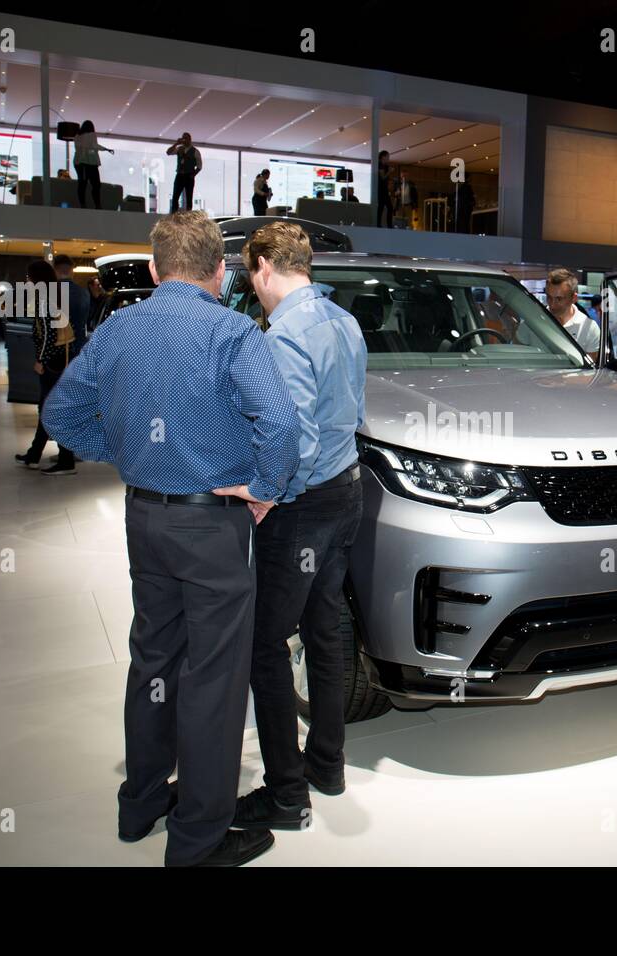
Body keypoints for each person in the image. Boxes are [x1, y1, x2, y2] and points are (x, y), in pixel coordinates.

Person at [43, 211, 300, 867]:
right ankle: (199, 839)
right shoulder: (235, 331)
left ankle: (141, 805)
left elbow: (61, 412)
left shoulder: (118, 327)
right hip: (210, 523)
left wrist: (125, 452)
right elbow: (279, 424)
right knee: (213, 679)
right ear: (221, 270)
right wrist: (265, 490)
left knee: (152, 662)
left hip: (145, 519)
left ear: (156, 269)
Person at [223, 221, 367, 831]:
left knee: (265, 644)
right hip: (347, 491)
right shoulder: (345, 321)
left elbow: (296, 437)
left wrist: (265, 493)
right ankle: (327, 766)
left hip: (303, 505)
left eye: (250, 278)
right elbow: (351, 411)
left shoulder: (284, 334)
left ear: (262, 268)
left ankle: (286, 794)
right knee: (327, 631)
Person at [15, 260, 77, 476]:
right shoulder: (54, 296)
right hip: (61, 359)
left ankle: (66, 459)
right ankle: (35, 454)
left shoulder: (45, 300)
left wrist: (41, 360)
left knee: (51, 410)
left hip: (52, 362)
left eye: (29, 277)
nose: (27, 280)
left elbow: (48, 336)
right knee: (49, 409)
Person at [544, 268, 599, 359]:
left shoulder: (589, 328)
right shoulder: (533, 321)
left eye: (559, 299)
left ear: (574, 298)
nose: (552, 304)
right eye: (549, 297)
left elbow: (590, 370)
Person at [52, 255, 91, 352]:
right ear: (71, 271)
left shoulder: (49, 292)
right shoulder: (84, 293)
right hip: (79, 347)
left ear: (54, 270)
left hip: (56, 348)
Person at [74, 120, 115, 210]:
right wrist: (106, 149)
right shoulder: (91, 135)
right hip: (89, 163)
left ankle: (83, 204)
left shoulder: (77, 136)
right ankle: (97, 205)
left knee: (82, 184)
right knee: (95, 185)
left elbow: (87, 148)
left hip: (81, 163)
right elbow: (94, 146)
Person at [166, 132, 202, 212]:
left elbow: (199, 166)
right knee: (175, 196)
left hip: (189, 175)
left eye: (186, 138)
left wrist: (193, 175)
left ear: (190, 140)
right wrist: (176, 144)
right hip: (180, 175)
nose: (184, 140)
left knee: (189, 197)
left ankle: (188, 215)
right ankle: (174, 214)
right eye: (183, 138)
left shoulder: (195, 151)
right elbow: (168, 152)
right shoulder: (179, 148)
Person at [376, 150, 393, 228]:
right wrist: (389, 172)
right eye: (387, 157)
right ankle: (385, 225)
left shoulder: (385, 166)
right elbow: (382, 177)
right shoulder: (380, 165)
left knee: (384, 207)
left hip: (384, 190)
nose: (388, 158)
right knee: (384, 207)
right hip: (381, 190)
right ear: (383, 157)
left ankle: (382, 224)